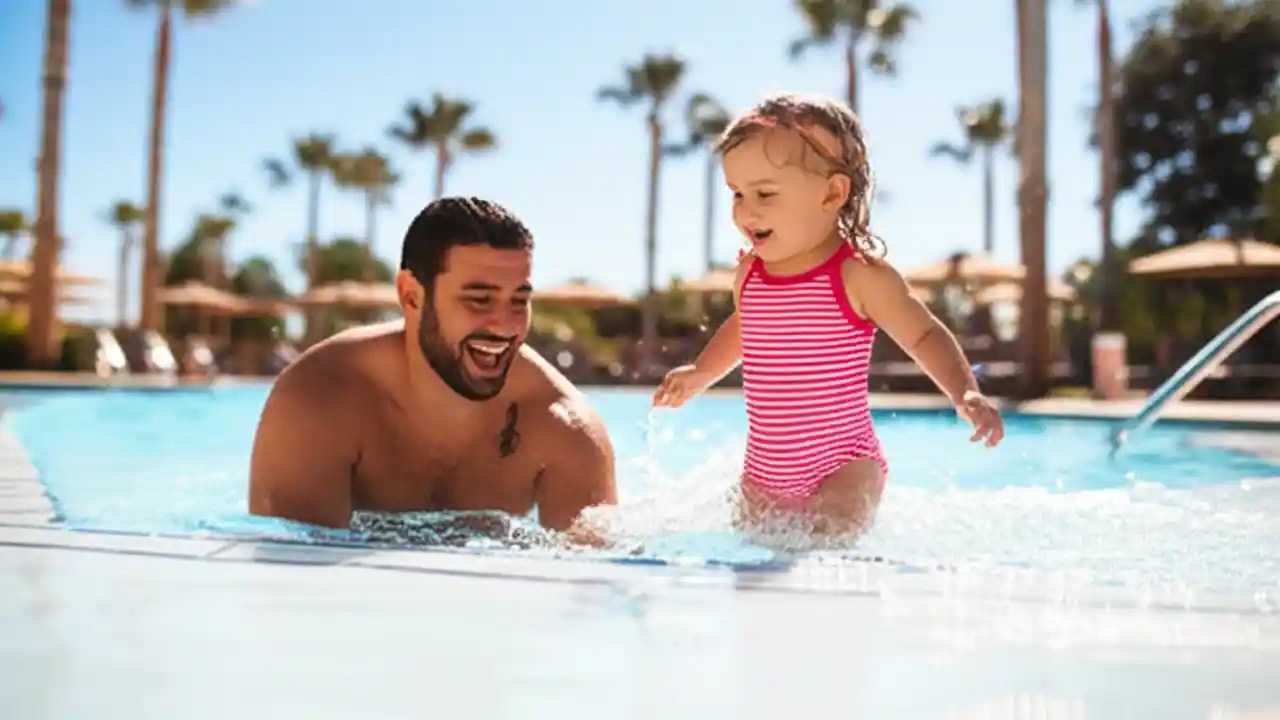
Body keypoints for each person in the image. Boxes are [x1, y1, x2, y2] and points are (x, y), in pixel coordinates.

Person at [652, 93, 1005, 536]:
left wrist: (964, 392)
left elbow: (924, 335)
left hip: (842, 466)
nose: (746, 209)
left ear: (833, 193)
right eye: (737, 193)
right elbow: (746, 329)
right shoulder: (750, 274)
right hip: (762, 471)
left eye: (764, 193)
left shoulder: (857, 275)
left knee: (824, 564)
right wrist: (700, 373)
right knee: (752, 578)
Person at [248, 197, 617, 536]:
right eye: (479, 299)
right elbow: (292, 582)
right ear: (411, 296)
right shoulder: (319, 400)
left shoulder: (565, 431)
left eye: (519, 302)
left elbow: (585, 595)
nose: (505, 326)